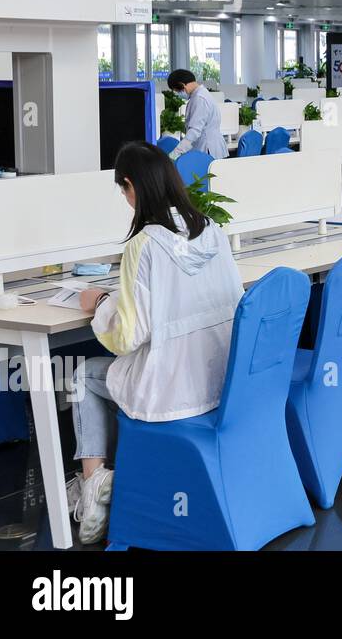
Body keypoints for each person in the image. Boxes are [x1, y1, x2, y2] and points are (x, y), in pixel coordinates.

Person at [66, 142, 244, 544]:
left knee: (82, 376)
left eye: (123, 190)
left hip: (170, 391)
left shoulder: (143, 245)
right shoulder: (211, 230)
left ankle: (94, 484)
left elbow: (127, 337)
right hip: (221, 382)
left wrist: (101, 303)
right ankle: (104, 482)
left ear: (131, 186)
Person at [166, 69, 228, 161]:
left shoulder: (199, 98)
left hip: (207, 148)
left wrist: (175, 154)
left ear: (182, 85)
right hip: (212, 146)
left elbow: (194, 131)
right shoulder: (202, 94)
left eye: (177, 91)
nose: (178, 94)